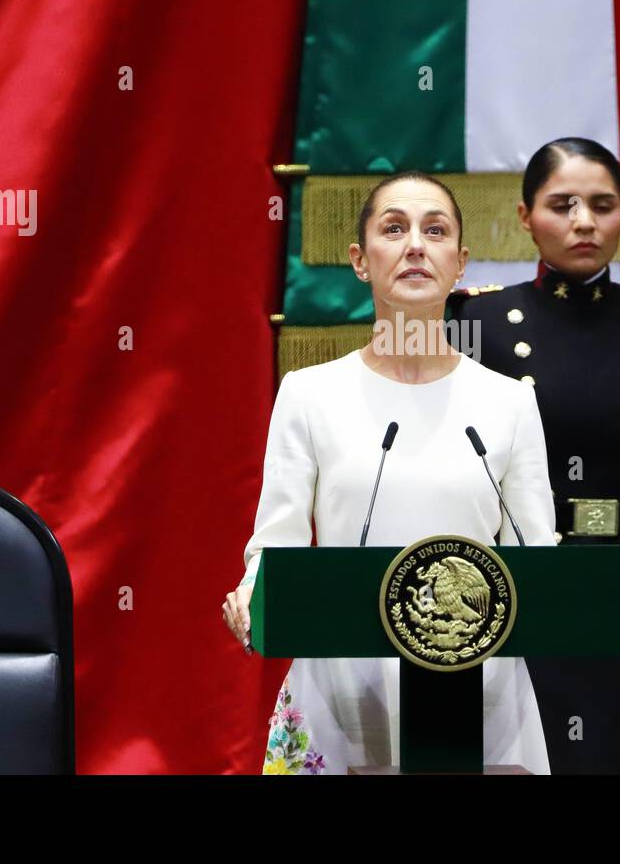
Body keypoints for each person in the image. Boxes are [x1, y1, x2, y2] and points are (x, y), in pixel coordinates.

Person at [222, 172, 556, 775]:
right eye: (394, 229)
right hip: (344, 692)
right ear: (359, 259)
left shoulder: (509, 403)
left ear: (461, 264)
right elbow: (277, 545)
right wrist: (255, 595)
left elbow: (543, 561)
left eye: (435, 231)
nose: (415, 246)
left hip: (481, 699)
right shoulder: (309, 394)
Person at [450, 137, 620, 773]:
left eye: (602, 205)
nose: (583, 222)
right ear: (525, 217)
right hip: (524, 596)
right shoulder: (477, 324)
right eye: (562, 204)